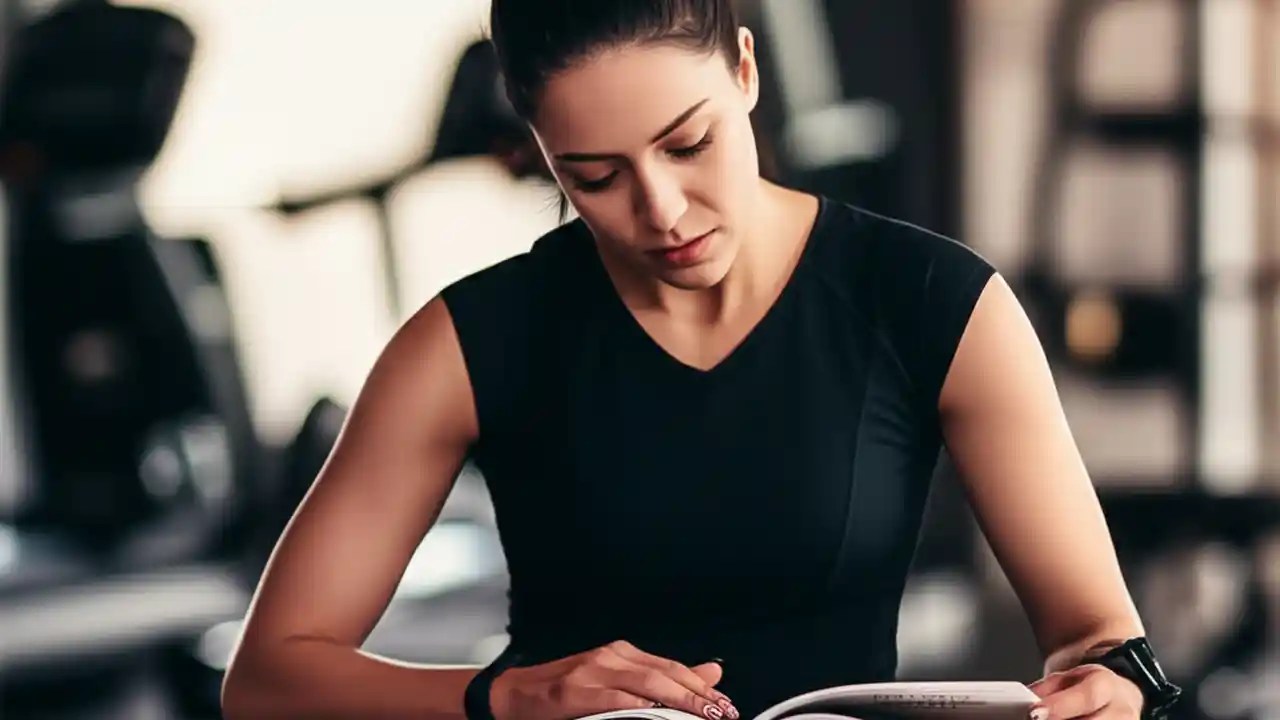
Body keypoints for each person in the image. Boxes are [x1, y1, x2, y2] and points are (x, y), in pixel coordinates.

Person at [221, 2, 1174, 719]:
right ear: (542, 155)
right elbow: (264, 679)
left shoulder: (935, 303)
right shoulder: (468, 341)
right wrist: (503, 697)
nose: (662, 211)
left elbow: (1106, 644)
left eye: (690, 143)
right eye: (593, 177)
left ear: (747, 72)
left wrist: (1109, 693)